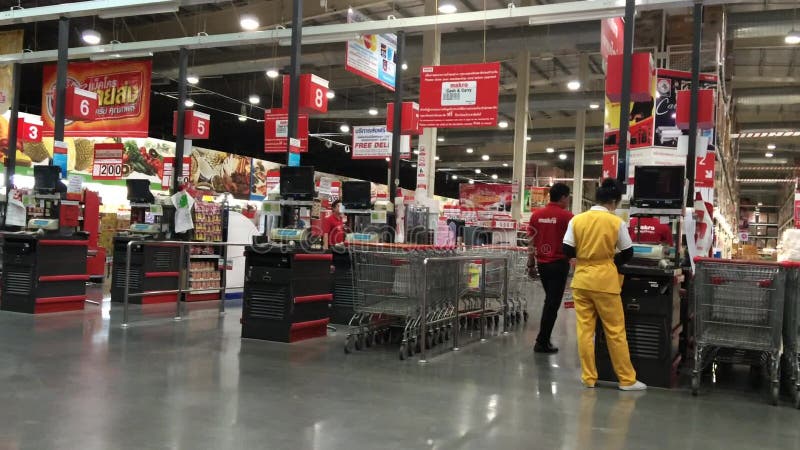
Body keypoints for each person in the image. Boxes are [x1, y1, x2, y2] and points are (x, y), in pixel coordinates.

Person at [562, 178, 646, 391]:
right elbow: (628, 252)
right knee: (615, 331)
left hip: (581, 280)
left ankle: (589, 377)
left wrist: (583, 257)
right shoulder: (616, 222)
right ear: (614, 202)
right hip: (605, 282)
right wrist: (611, 260)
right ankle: (626, 380)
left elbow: (567, 249)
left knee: (585, 331)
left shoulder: (577, 220)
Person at [527, 183, 574, 354]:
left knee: (550, 301)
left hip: (542, 264)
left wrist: (531, 263)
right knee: (552, 303)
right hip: (559, 264)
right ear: (563, 197)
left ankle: (543, 339)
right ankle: (542, 341)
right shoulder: (568, 217)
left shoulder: (536, 215)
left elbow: (531, 242)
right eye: (568, 197)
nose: (568, 200)